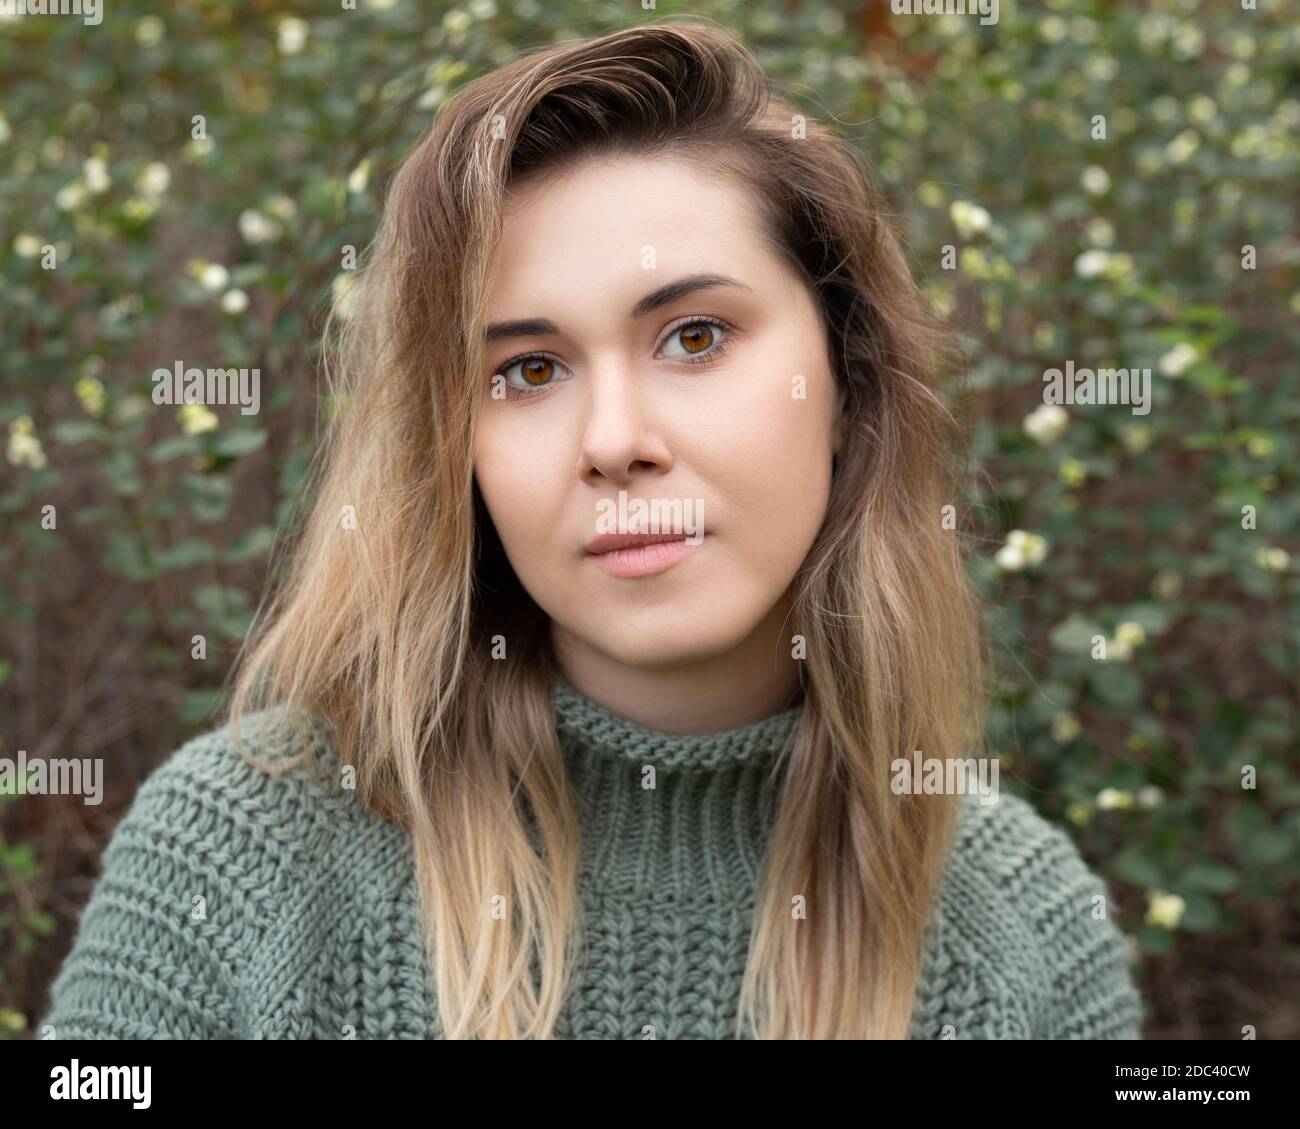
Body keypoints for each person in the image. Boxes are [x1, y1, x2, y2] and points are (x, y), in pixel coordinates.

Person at [40, 17, 1143, 1040]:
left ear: (849, 385)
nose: (614, 440)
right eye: (526, 369)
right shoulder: (243, 857)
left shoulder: (1021, 928)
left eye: (696, 336)